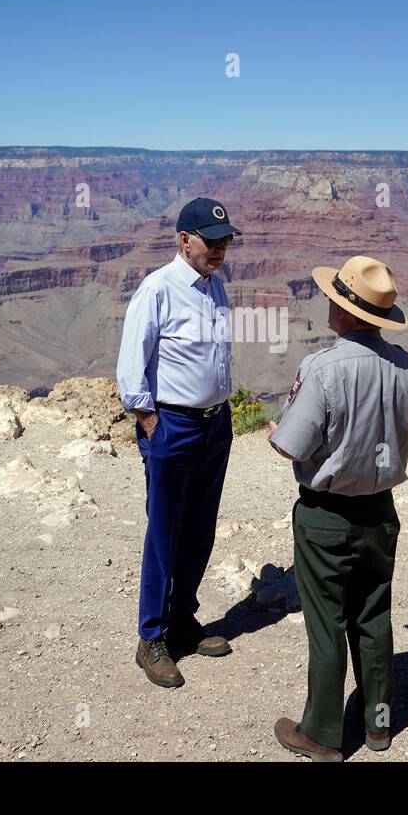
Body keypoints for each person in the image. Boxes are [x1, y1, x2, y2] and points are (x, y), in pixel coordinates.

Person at [267, 255, 408, 760]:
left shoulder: (323, 368)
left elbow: (292, 444)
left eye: (334, 298)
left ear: (349, 313)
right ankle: (378, 725)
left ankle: (322, 734)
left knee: (327, 620)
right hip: (381, 511)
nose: (327, 305)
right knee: (374, 614)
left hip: (326, 515)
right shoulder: (407, 365)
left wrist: (276, 432)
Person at [116, 197, 242, 688]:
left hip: (215, 425)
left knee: (200, 528)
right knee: (164, 531)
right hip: (173, 425)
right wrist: (152, 424)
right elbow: (131, 366)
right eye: (212, 242)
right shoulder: (157, 290)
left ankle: (183, 620)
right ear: (184, 239)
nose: (220, 250)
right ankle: (151, 637)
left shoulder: (215, 286)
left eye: (226, 241)